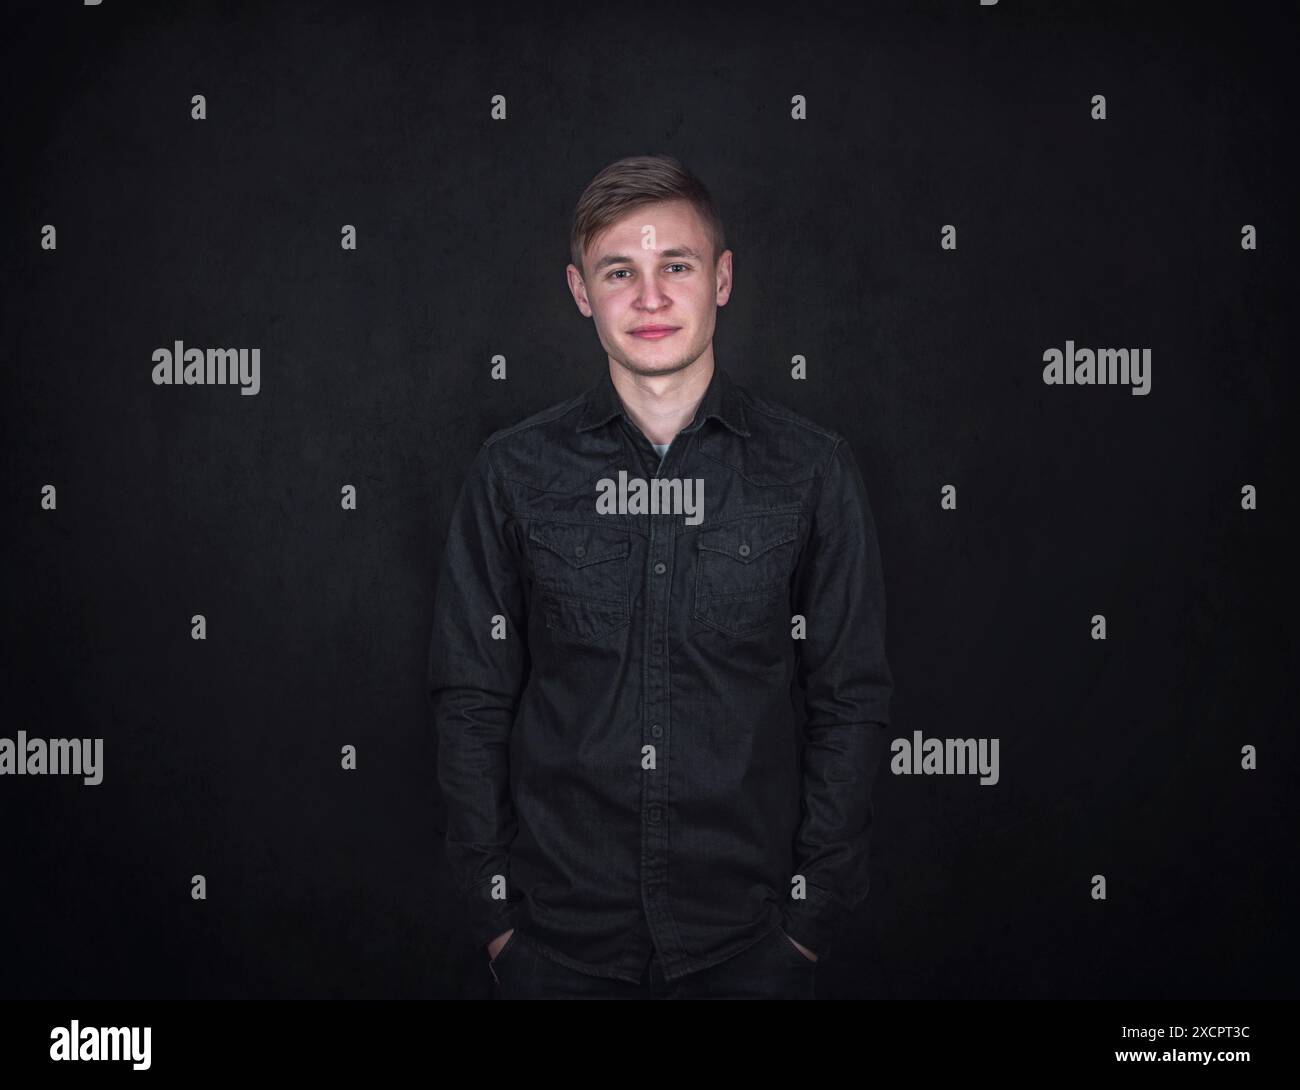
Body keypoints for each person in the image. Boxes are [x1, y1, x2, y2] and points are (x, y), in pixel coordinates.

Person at [427, 154, 893, 999]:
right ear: (580, 291)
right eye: (619, 272)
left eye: (674, 265)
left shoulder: (810, 471)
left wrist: (809, 922)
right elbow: (471, 700)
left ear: (720, 279)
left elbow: (850, 700)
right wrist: (494, 921)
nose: (649, 298)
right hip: (556, 946)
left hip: (749, 947)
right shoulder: (511, 472)